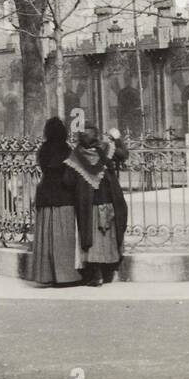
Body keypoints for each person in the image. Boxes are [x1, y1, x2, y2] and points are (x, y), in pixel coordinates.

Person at [65, 125, 130, 286]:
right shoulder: (106, 149)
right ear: (96, 138)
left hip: (87, 204)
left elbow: (67, 181)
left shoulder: (76, 156)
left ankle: (96, 274)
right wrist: (117, 138)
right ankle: (108, 271)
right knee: (107, 234)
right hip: (108, 201)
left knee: (90, 236)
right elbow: (123, 155)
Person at [27, 117, 81, 286]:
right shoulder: (66, 149)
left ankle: (46, 274)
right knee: (63, 238)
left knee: (46, 237)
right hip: (63, 195)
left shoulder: (43, 149)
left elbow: (45, 167)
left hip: (45, 193)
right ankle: (65, 275)